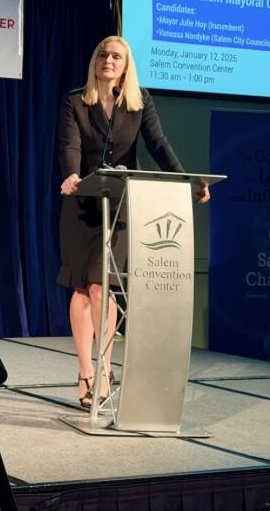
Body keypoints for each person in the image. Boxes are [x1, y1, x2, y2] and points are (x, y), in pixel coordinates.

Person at [56, 35, 209, 410]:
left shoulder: (140, 102)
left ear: (126, 65)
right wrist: (72, 175)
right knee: (81, 287)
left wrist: (187, 180)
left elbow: (159, 144)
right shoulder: (75, 100)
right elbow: (69, 145)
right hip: (81, 205)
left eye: (116, 57)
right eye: (103, 55)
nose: (109, 61)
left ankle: (105, 367)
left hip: (121, 205)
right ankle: (85, 372)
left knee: (100, 286)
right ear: (95, 62)